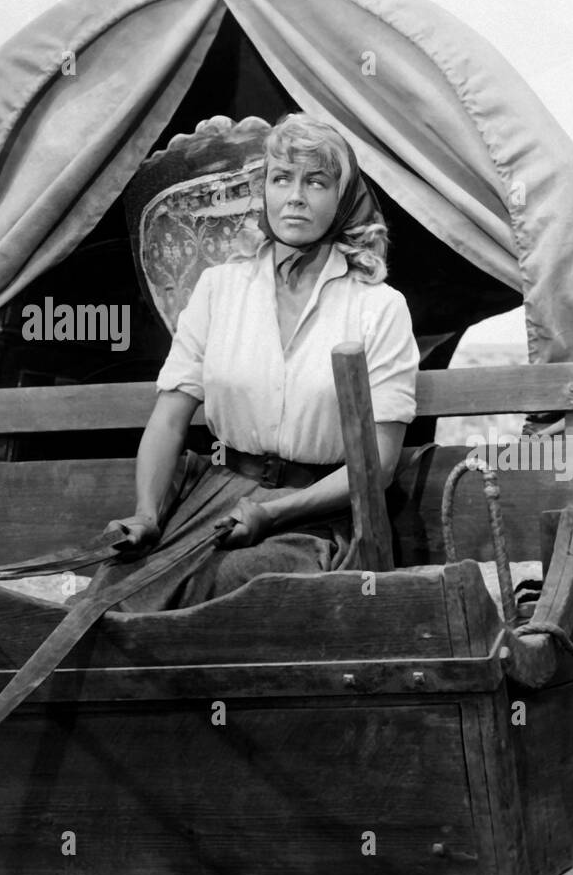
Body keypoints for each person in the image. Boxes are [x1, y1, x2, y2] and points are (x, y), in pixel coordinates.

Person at [82, 113, 419, 611]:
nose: (295, 196)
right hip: (217, 498)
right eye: (281, 178)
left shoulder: (378, 307)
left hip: (323, 510)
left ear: (343, 200)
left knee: (235, 584)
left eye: (316, 181)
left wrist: (277, 512)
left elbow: (379, 465)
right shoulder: (221, 290)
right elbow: (170, 417)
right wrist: (148, 515)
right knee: (116, 590)